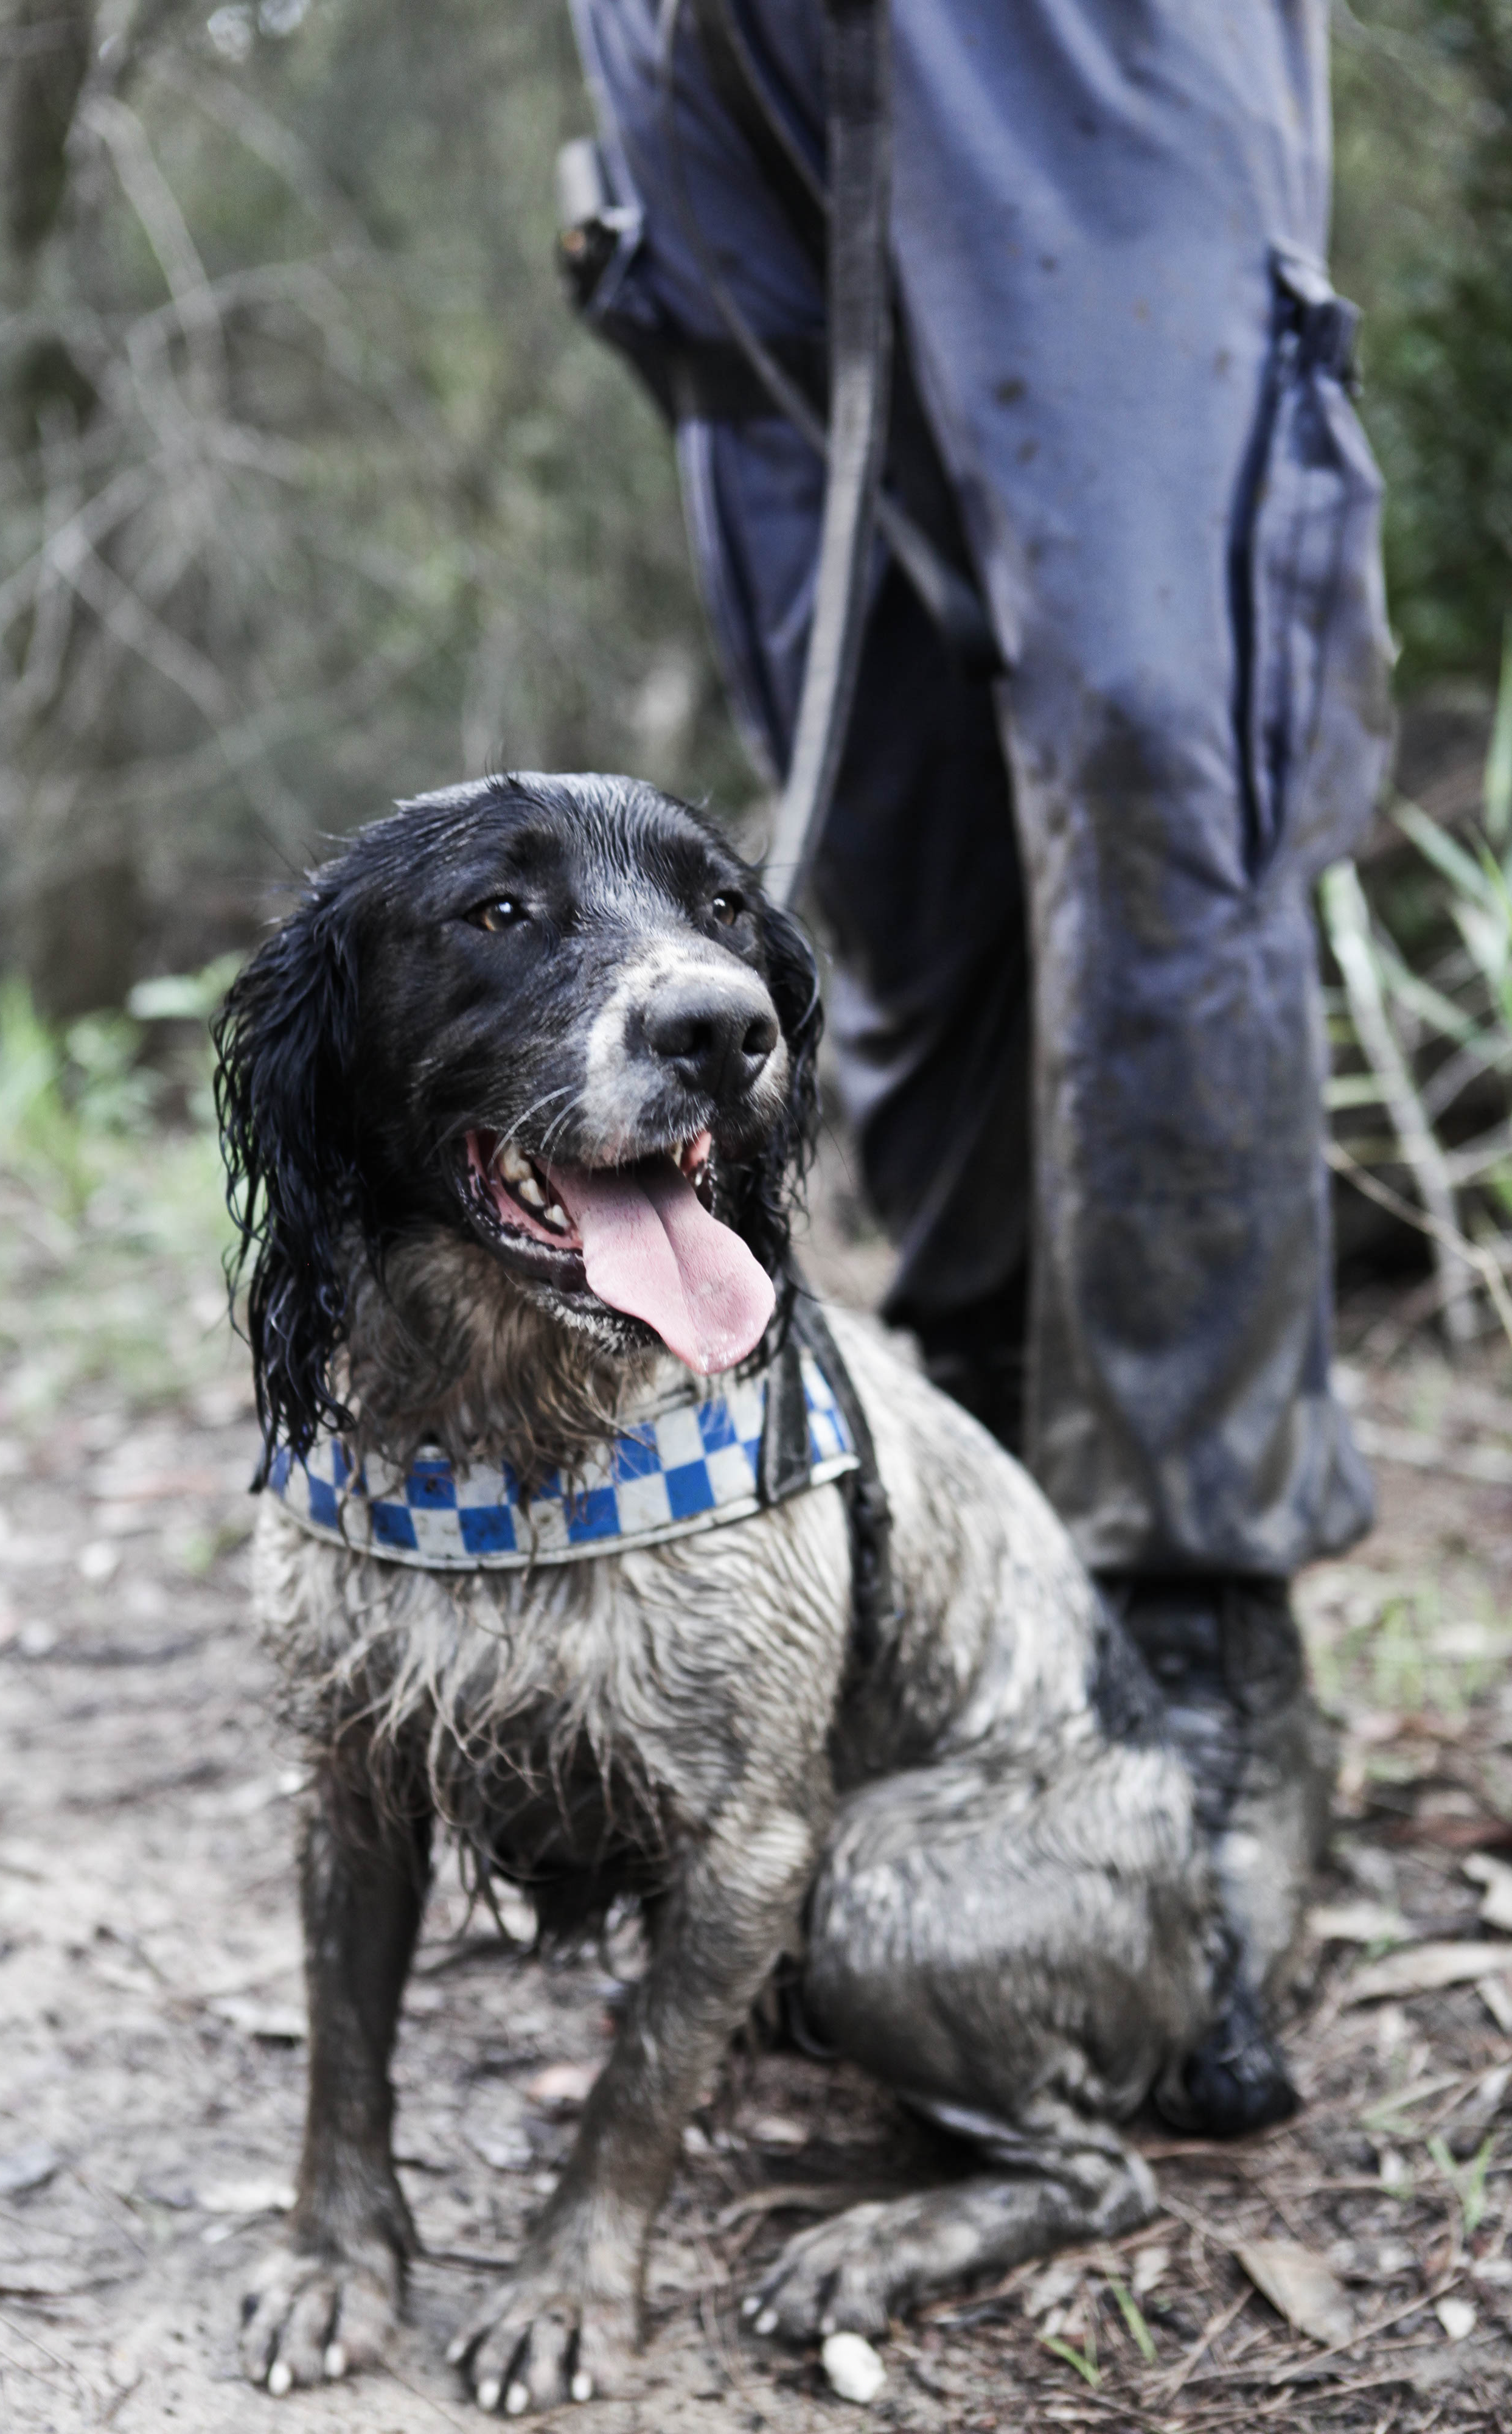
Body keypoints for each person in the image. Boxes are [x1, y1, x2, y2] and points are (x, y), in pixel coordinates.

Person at [562, 0, 1392, 2093]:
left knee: (1153, 746)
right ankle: (975, 1589)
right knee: (884, 836)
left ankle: (1193, 1622)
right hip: (690, 54)